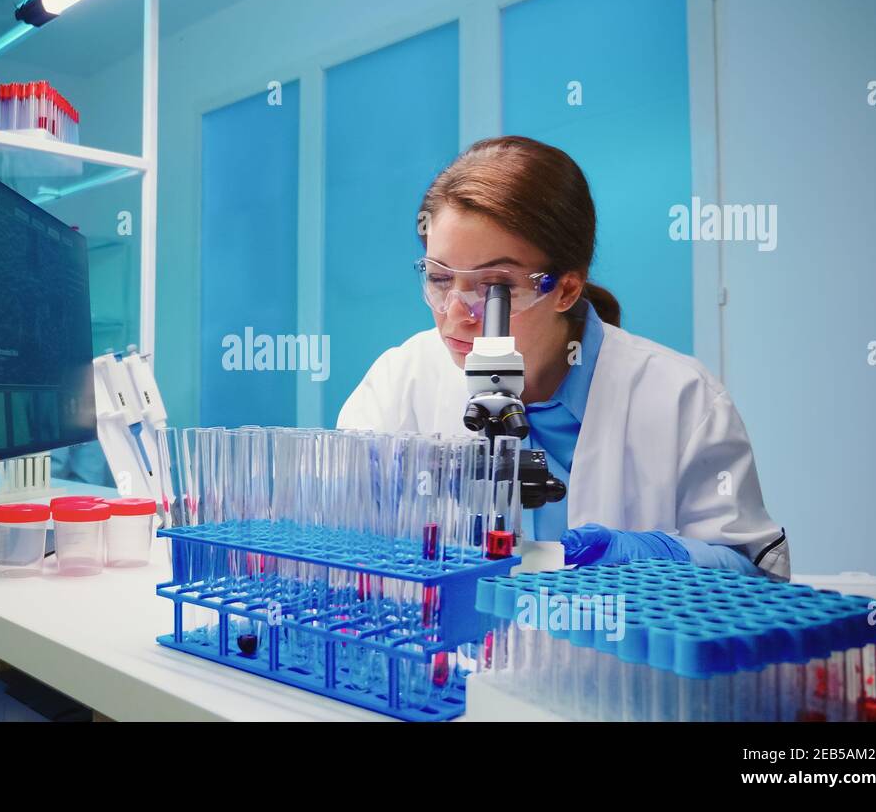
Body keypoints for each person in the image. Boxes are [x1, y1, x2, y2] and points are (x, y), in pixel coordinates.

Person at [336, 137, 788, 578]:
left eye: (496, 289)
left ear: (566, 289)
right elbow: (340, 536)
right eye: (439, 278)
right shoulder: (401, 381)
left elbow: (755, 571)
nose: (455, 315)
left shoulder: (682, 398)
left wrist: (658, 558)